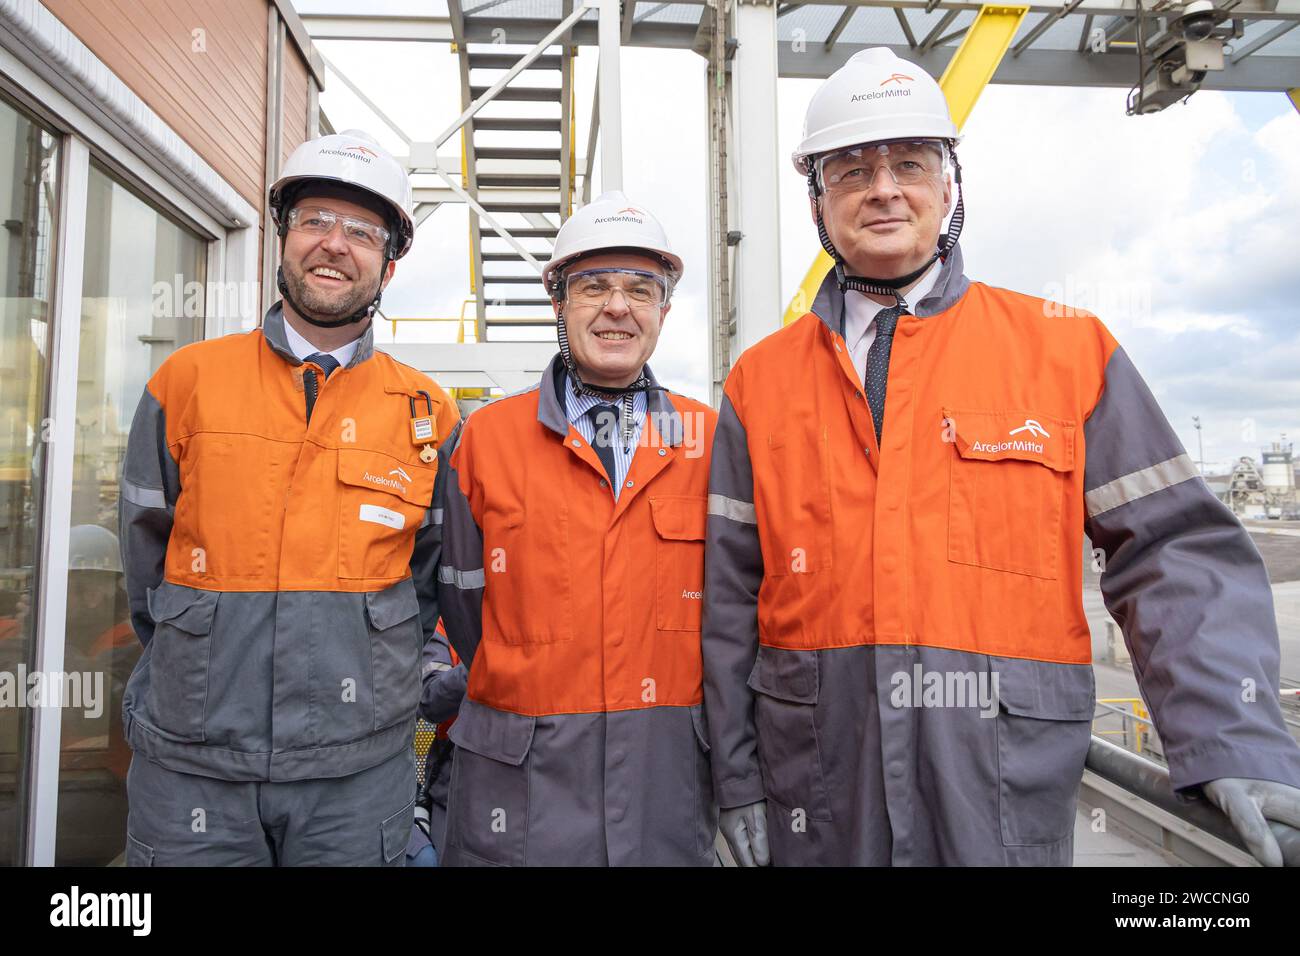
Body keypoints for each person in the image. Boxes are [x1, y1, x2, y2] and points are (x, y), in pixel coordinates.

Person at [702, 47, 1300, 867]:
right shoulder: (757, 383)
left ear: (948, 185)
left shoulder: (1066, 349)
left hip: (1001, 793)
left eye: (908, 162)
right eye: (850, 169)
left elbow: (1174, 551)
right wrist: (735, 783)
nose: (883, 187)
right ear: (817, 199)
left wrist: (1234, 742)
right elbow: (728, 601)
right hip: (820, 793)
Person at [118, 130, 460, 866]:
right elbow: (145, 565)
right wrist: (202, 666)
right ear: (283, 236)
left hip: (356, 777)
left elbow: (429, 582)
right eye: (315, 220)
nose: (335, 245)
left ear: (389, 264)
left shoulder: (429, 411)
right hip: (193, 770)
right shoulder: (187, 383)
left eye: (363, 232)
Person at [435, 191, 718, 865]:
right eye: (593, 287)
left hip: (664, 790)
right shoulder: (485, 439)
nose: (617, 307)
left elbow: (735, 617)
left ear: (663, 312)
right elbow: (458, 608)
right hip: (520, 792)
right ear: (558, 303)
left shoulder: (709, 440)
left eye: (640, 290)